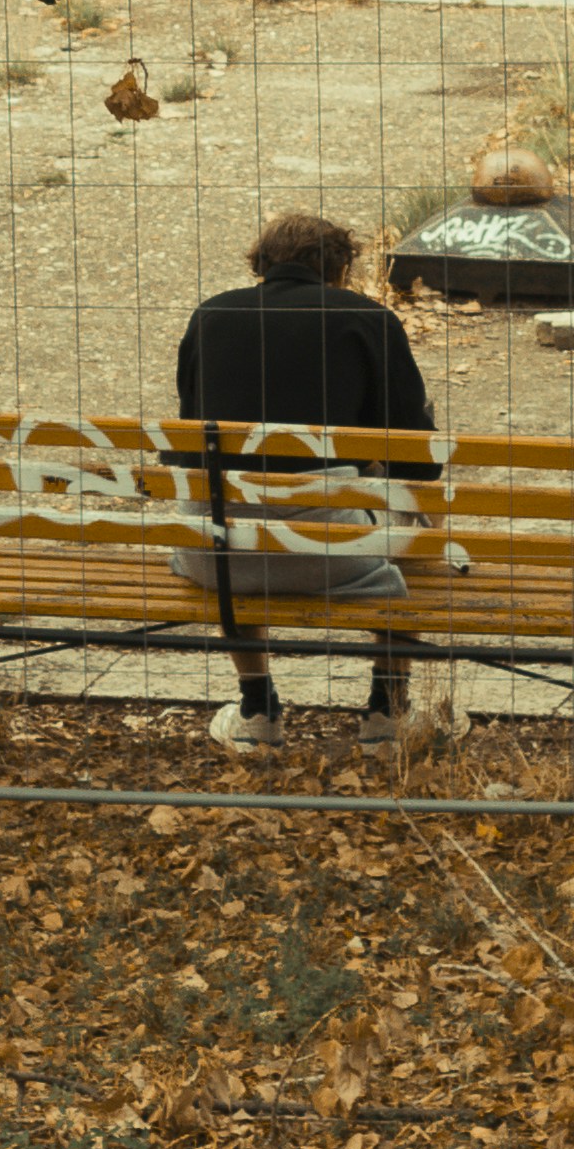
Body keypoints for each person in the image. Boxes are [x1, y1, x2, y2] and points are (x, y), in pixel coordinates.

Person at [172, 209, 437, 752]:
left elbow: (189, 448)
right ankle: (387, 713)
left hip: (219, 557)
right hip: (333, 552)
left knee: (228, 509)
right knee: (414, 529)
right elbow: (419, 463)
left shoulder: (212, 316)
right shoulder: (367, 319)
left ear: (261, 264)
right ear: (339, 268)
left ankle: (257, 710)